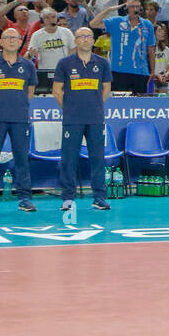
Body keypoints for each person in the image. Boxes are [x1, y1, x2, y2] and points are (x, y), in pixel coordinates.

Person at [0, 28, 38, 212]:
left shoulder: (28, 66)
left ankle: (25, 198)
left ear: (20, 42)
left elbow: (30, 93)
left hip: (20, 119)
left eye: (15, 38)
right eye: (7, 38)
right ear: (1, 42)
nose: (12, 40)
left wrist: (16, 107)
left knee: (22, 160)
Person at [52, 27, 112, 212]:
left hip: (95, 118)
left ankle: (99, 197)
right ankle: (68, 198)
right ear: (75, 41)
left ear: (93, 41)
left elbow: (106, 89)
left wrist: (93, 106)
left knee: (97, 159)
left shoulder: (102, 63)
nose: (85, 39)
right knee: (69, 160)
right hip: (72, 119)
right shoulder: (65, 63)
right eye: (81, 37)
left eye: (88, 36)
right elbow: (56, 90)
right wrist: (70, 109)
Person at [91, 0, 156, 94]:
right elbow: (93, 24)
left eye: (137, 6)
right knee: (118, 102)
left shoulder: (147, 25)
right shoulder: (117, 22)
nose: (135, 9)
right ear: (126, 8)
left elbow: (151, 50)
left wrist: (152, 71)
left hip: (141, 71)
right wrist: (109, 10)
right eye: (132, 6)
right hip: (119, 71)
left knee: (139, 104)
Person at [27, 9, 75, 93]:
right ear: (42, 20)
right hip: (45, 72)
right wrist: (30, 55)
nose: (50, 20)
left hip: (65, 72)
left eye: (53, 17)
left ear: (57, 19)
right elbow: (28, 57)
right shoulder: (37, 35)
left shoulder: (66, 32)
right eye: (47, 18)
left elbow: (74, 50)